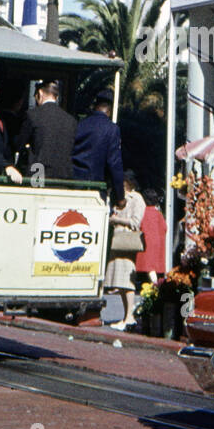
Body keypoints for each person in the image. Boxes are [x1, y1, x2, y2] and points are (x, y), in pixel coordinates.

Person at [105, 171, 145, 330]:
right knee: (119, 282)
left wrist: (117, 220)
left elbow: (136, 222)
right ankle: (126, 316)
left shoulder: (137, 199)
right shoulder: (118, 197)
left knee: (126, 282)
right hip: (117, 241)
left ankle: (129, 317)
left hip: (126, 243)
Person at [14, 79, 76, 181]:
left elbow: (19, 144)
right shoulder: (71, 120)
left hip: (38, 175)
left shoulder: (32, 115)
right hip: (64, 177)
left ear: (40, 93)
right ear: (56, 97)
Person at [71, 88, 124, 204]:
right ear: (110, 110)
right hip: (94, 190)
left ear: (95, 105)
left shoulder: (79, 125)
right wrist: (120, 197)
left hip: (73, 186)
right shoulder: (112, 129)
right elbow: (114, 164)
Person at [137, 186, 168, 285]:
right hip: (158, 242)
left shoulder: (143, 212)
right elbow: (164, 227)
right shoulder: (158, 213)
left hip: (147, 241)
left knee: (149, 266)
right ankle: (156, 283)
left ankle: (155, 285)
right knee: (154, 265)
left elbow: (140, 225)